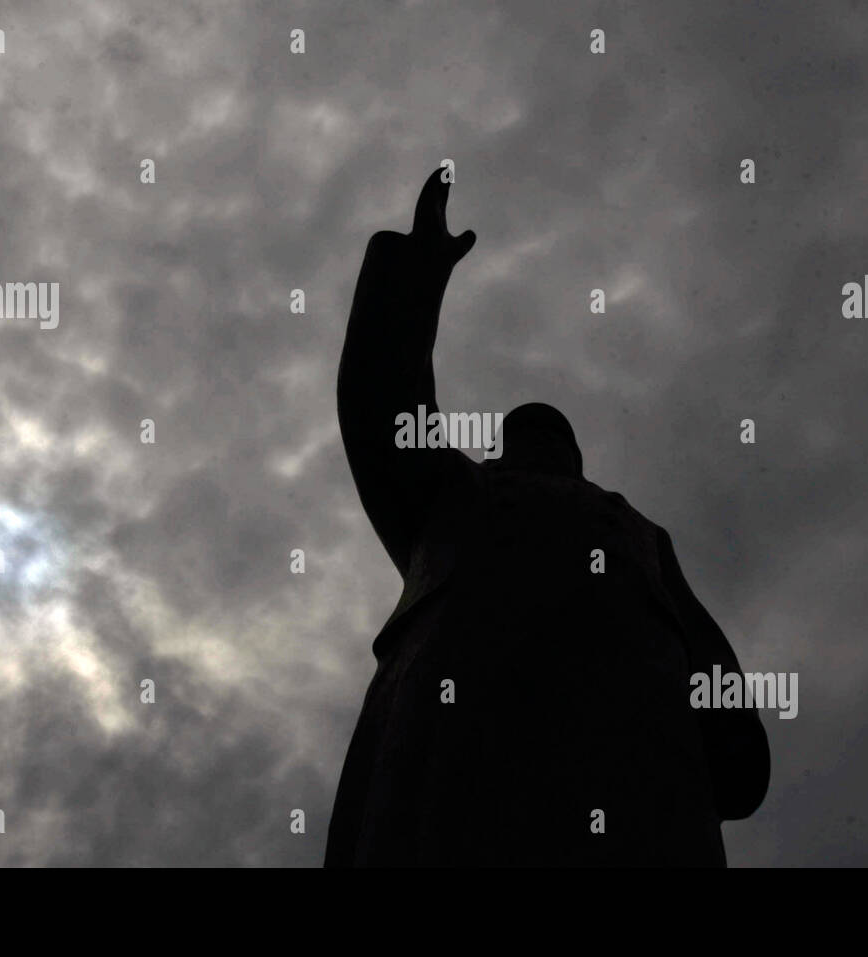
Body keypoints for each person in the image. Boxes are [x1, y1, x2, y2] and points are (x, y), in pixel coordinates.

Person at [327, 169, 769, 866]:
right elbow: (383, 406)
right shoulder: (456, 492)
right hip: (458, 739)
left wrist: (729, 732)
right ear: (503, 450)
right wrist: (412, 283)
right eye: (528, 434)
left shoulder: (638, 530)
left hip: (638, 760)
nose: (544, 446)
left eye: (555, 436)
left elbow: (698, 636)